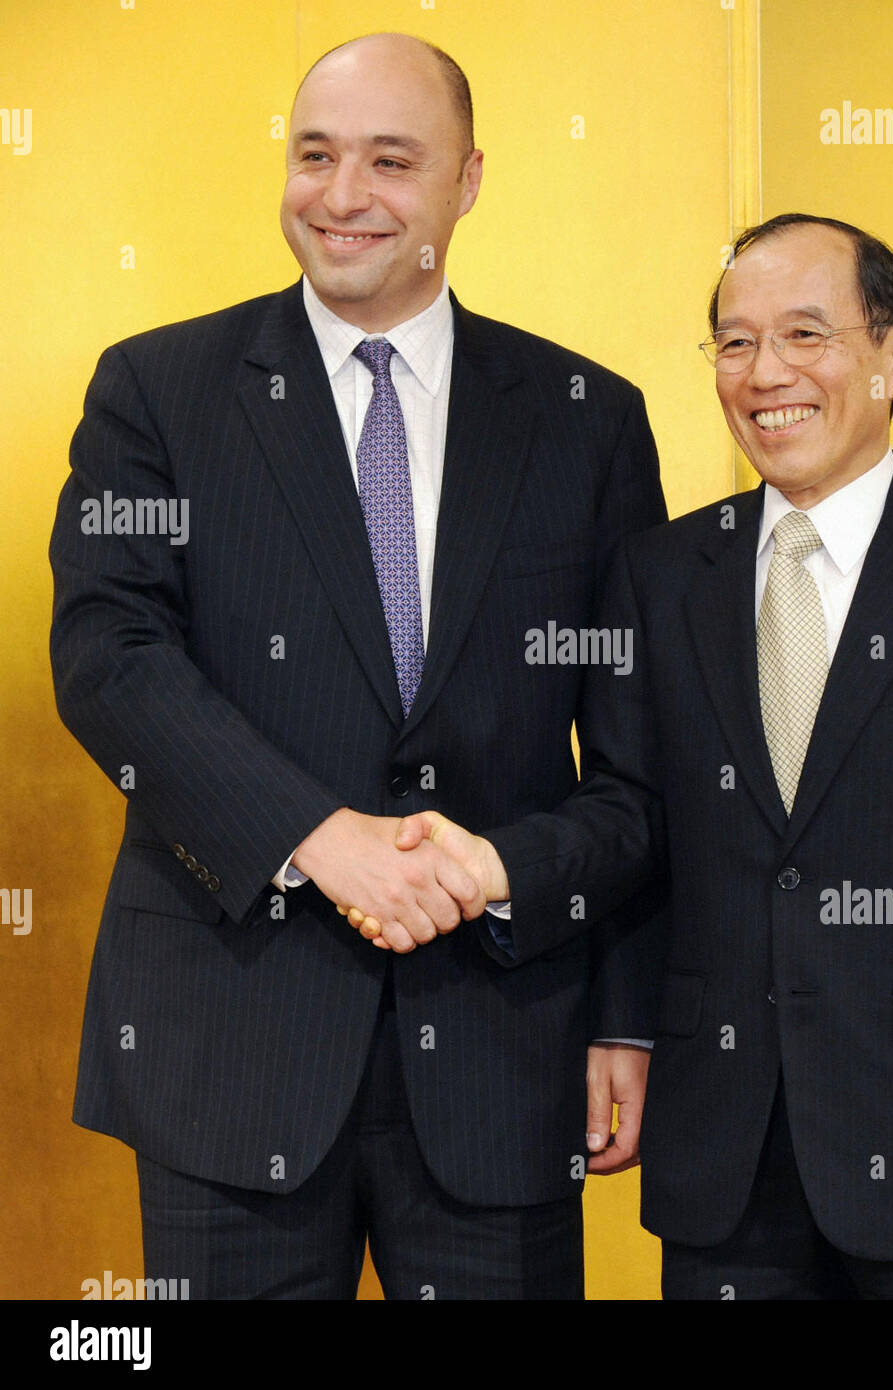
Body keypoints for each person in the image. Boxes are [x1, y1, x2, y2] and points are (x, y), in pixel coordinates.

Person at [375, 213, 893, 1299]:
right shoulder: (663, 572)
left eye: (806, 335)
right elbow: (633, 816)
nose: (765, 372)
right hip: (724, 1153)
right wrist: (546, 924)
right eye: (735, 342)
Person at [49, 32, 666, 1300]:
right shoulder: (156, 391)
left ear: (469, 180)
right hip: (230, 1047)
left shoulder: (586, 418)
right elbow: (110, 661)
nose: (342, 196)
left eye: (391, 160)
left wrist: (625, 1010)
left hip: (505, 1053)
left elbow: (639, 762)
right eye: (316, 155)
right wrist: (313, 833)